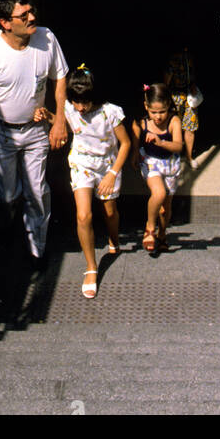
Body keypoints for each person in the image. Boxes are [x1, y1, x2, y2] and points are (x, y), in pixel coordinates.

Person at [0, 0, 68, 268]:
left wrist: (59, 121)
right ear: (5, 23)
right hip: (0, 134)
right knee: (6, 196)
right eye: (24, 15)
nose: (32, 17)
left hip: (36, 131)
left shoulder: (47, 38)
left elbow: (60, 78)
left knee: (37, 191)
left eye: (31, 11)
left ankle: (36, 250)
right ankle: (8, 225)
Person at [37, 64, 129, 299]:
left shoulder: (110, 112)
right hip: (82, 165)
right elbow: (67, 125)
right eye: (76, 102)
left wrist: (112, 174)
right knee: (83, 215)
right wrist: (47, 116)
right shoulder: (69, 108)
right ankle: (91, 267)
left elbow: (126, 144)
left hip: (107, 166)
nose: (80, 107)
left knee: (110, 212)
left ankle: (114, 239)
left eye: (84, 102)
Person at [131, 84, 183, 253]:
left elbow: (178, 146)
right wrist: (135, 153)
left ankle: (162, 234)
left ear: (168, 106)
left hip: (169, 164)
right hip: (150, 161)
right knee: (159, 193)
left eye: (162, 112)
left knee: (165, 208)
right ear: (146, 107)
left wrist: (161, 142)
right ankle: (150, 227)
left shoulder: (174, 121)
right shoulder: (142, 122)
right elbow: (135, 135)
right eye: (154, 112)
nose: (158, 116)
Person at [164, 48, 201, 166]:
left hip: (190, 95)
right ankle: (174, 155)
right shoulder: (172, 60)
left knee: (190, 127)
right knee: (174, 126)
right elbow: (166, 81)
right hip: (175, 96)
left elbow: (193, 74)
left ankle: (189, 157)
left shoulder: (189, 57)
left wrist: (193, 84)